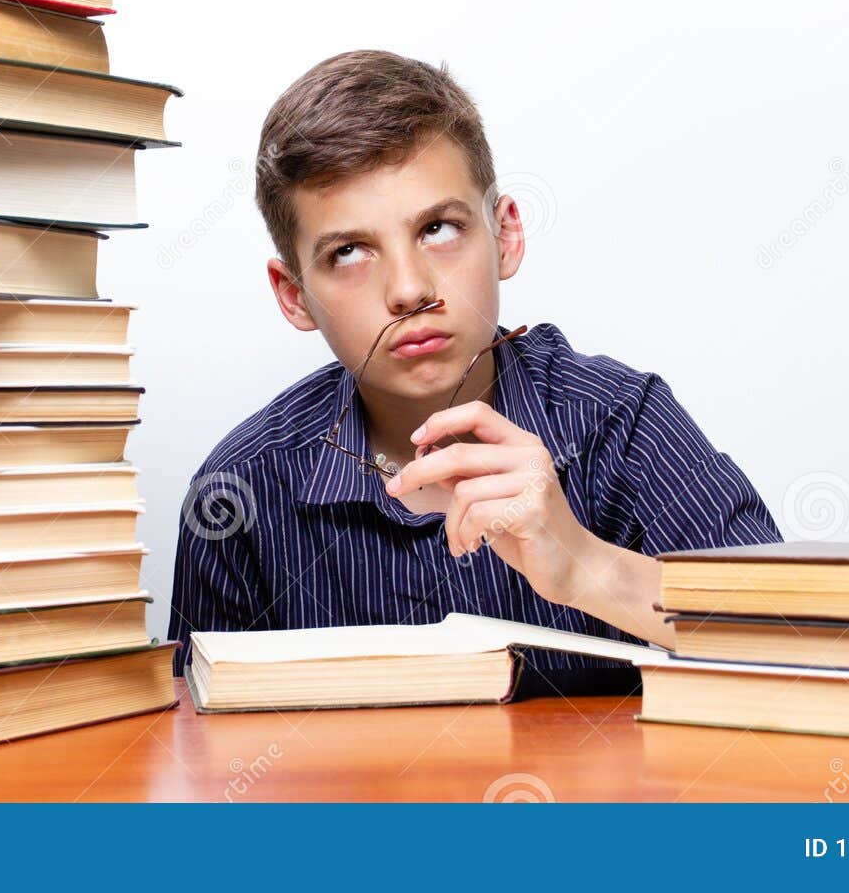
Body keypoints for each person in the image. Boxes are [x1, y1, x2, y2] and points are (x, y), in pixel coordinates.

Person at [168, 50, 780, 694]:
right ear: (293, 294)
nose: (408, 290)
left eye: (438, 228)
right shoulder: (238, 488)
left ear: (506, 235)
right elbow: (199, 757)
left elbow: (811, 647)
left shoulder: (620, 423)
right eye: (348, 252)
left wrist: (584, 567)